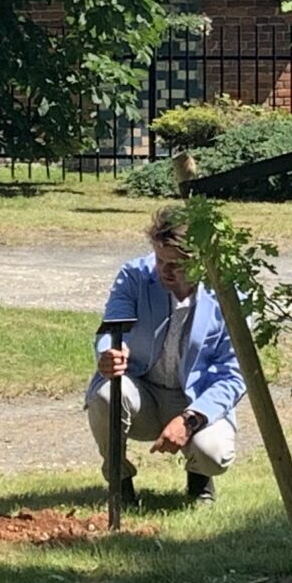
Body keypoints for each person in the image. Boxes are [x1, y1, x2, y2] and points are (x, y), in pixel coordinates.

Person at [86, 205, 243, 507]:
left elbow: (234, 374)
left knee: (214, 454)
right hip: (141, 391)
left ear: (200, 261)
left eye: (176, 264)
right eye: (160, 260)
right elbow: (111, 327)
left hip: (194, 398)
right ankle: (120, 485)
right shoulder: (134, 275)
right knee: (107, 395)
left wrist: (190, 419)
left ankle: (199, 479)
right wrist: (109, 352)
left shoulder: (227, 292)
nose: (164, 270)